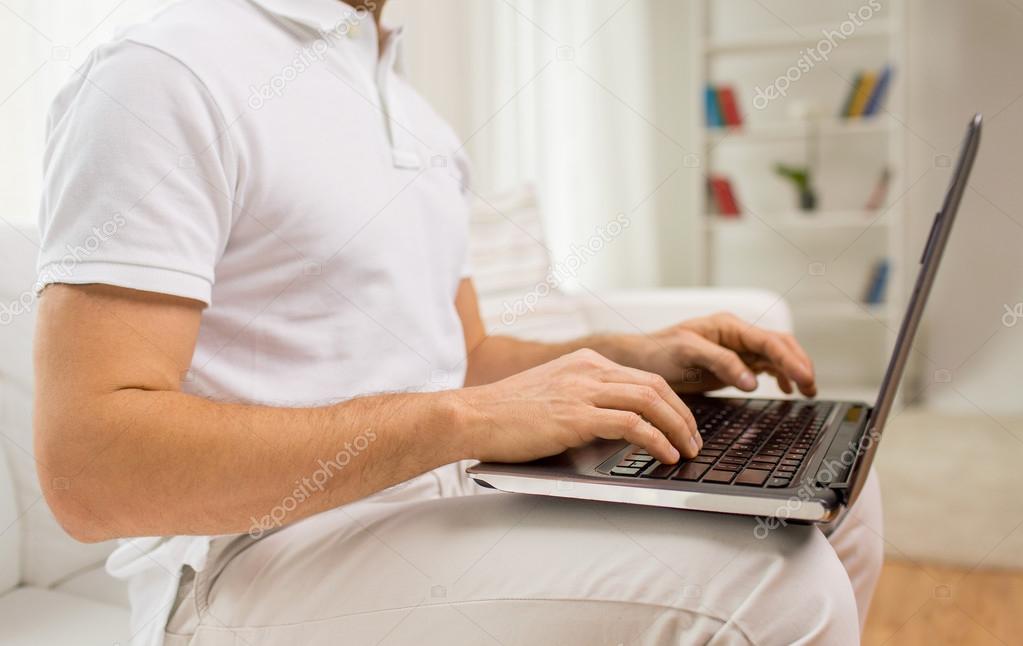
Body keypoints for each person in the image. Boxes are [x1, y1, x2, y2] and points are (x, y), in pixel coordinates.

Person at [32, 0, 883, 644]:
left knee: (833, 493)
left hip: (440, 501)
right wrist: (459, 422)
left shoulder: (411, 109)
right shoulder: (159, 68)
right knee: (775, 585)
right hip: (243, 565)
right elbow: (91, 468)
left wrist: (634, 356)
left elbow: (462, 354)